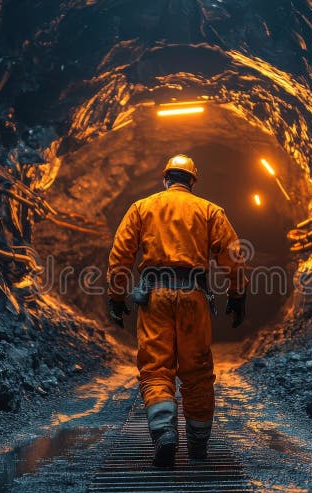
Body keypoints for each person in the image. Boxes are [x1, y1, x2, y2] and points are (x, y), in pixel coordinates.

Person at [106, 154, 248, 467]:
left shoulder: (141, 208)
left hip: (155, 297)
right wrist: (237, 294)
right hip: (193, 296)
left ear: (165, 178)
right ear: (192, 182)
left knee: (156, 368)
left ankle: (164, 434)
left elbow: (121, 255)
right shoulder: (210, 210)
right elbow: (233, 255)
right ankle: (197, 445)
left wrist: (116, 296)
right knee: (197, 371)